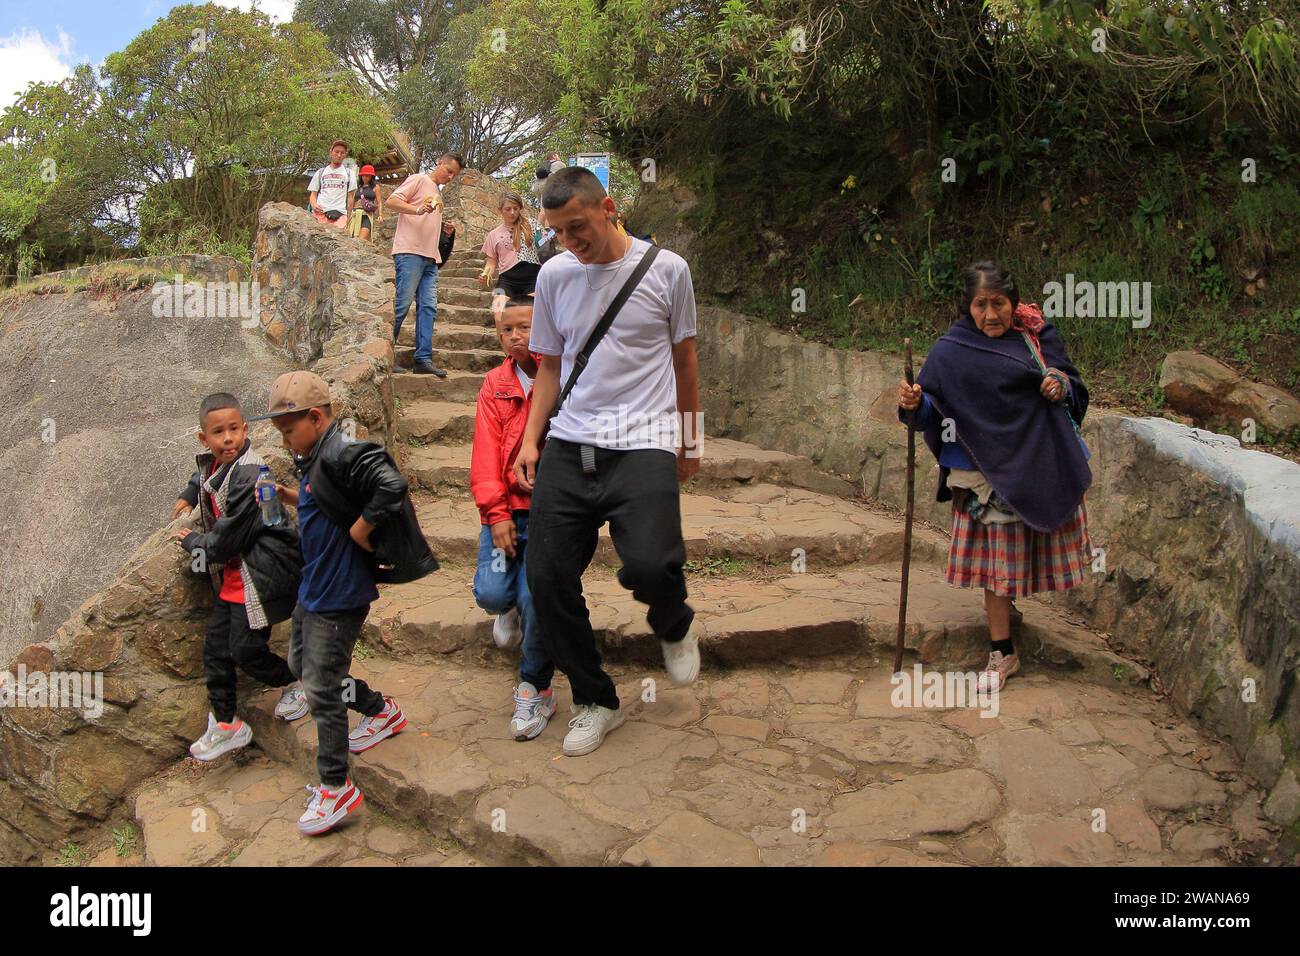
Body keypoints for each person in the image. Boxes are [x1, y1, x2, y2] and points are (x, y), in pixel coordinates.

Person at [514, 166, 702, 758]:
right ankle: (596, 698)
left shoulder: (666, 270)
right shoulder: (553, 276)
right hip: (569, 444)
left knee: (651, 563)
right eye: (558, 233)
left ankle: (671, 620)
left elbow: (686, 361)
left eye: (578, 227)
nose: (571, 242)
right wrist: (529, 439)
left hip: (643, 441)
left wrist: (689, 441)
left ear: (609, 207)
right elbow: (549, 365)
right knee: (544, 580)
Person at [897, 261, 1094, 693]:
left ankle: (1007, 617)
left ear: (1013, 302)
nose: (991, 314)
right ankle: (1002, 651)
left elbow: (1074, 387)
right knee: (998, 564)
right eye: (981, 305)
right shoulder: (951, 351)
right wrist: (914, 404)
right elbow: (933, 409)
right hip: (983, 473)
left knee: (1013, 558)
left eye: (999, 304)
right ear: (966, 308)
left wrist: (1058, 384)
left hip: (1036, 463)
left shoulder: (1036, 337)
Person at [256, 370, 438, 835]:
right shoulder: (317, 457)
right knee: (303, 665)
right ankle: (381, 710)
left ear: (316, 418)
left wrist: (363, 529)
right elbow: (325, 501)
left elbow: (391, 485)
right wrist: (291, 496)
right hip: (313, 588)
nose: (285, 440)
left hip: (338, 595)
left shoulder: (340, 449)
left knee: (319, 687)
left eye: (288, 430)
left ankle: (336, 786)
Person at [170, 393, 306, 762]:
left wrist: (193, 542)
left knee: (244, 649)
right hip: (237, 575)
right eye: (218, 432)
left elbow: (229, 538)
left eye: (234, 429)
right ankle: (227, 723)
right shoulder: (218, 464)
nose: (227, 438)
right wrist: (189, 493)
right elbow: (203, 475)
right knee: (216, 649)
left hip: (261, 572)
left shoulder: (252, 474)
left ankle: (298, 679)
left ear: (246, 430)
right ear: (205, 439)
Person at [470, 296, 557, 740]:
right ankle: (504, 608)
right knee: (491, 591)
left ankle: (535, 685)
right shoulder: (494, 384)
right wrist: (495, 512)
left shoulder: (557, 375)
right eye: (508, 330)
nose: (516, 336)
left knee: (536, 597)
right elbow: (485, 455)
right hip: (505, 514)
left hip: (546, 513)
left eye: (525, 328)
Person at [385, 152, 466, 378]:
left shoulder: (437, 193)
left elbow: (427, 225)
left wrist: (445, 232)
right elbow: (392, 200)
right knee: (401, 305)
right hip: (410, 252)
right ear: (439, 162)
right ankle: (385, 356)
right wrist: (418, 210)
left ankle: (423, 358)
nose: (450, 177)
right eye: (449, 171)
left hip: (430, 257)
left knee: (429, 308)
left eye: (454, 175)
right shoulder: (419, 179)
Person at [479, 192, 541, 297]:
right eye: (508, 209)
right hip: (506, 280)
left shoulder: (532, 225)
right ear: (500, 210)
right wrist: (485, 273)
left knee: (529, 311)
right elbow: (491, 262)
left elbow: (544, 245)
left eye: (515, 208)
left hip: (532, 278)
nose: (512, 212)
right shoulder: (493, 235)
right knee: (498, 308)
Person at [308, 140, 356, 231]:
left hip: (340, 216)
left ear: (345, 155)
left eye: (342, 153)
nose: (339, 155)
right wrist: (314, 205)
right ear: (331, 152)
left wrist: (349, 219)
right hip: (320, 214)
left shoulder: (349, 174)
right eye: (336, 152)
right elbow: (313, 194)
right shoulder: (320, 172)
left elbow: (351, 198)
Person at [348, 164, 383, 241]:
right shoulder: (358, 187)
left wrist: (380, 214)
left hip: (367, 215)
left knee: (361, 240)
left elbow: (379, 202)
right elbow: (352, 204)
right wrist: (348, 218)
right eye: (363, 175)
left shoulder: (375, 187)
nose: (365, 177)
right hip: (355, 215)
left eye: (367, 176)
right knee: (353, 239)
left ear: (371, 177)